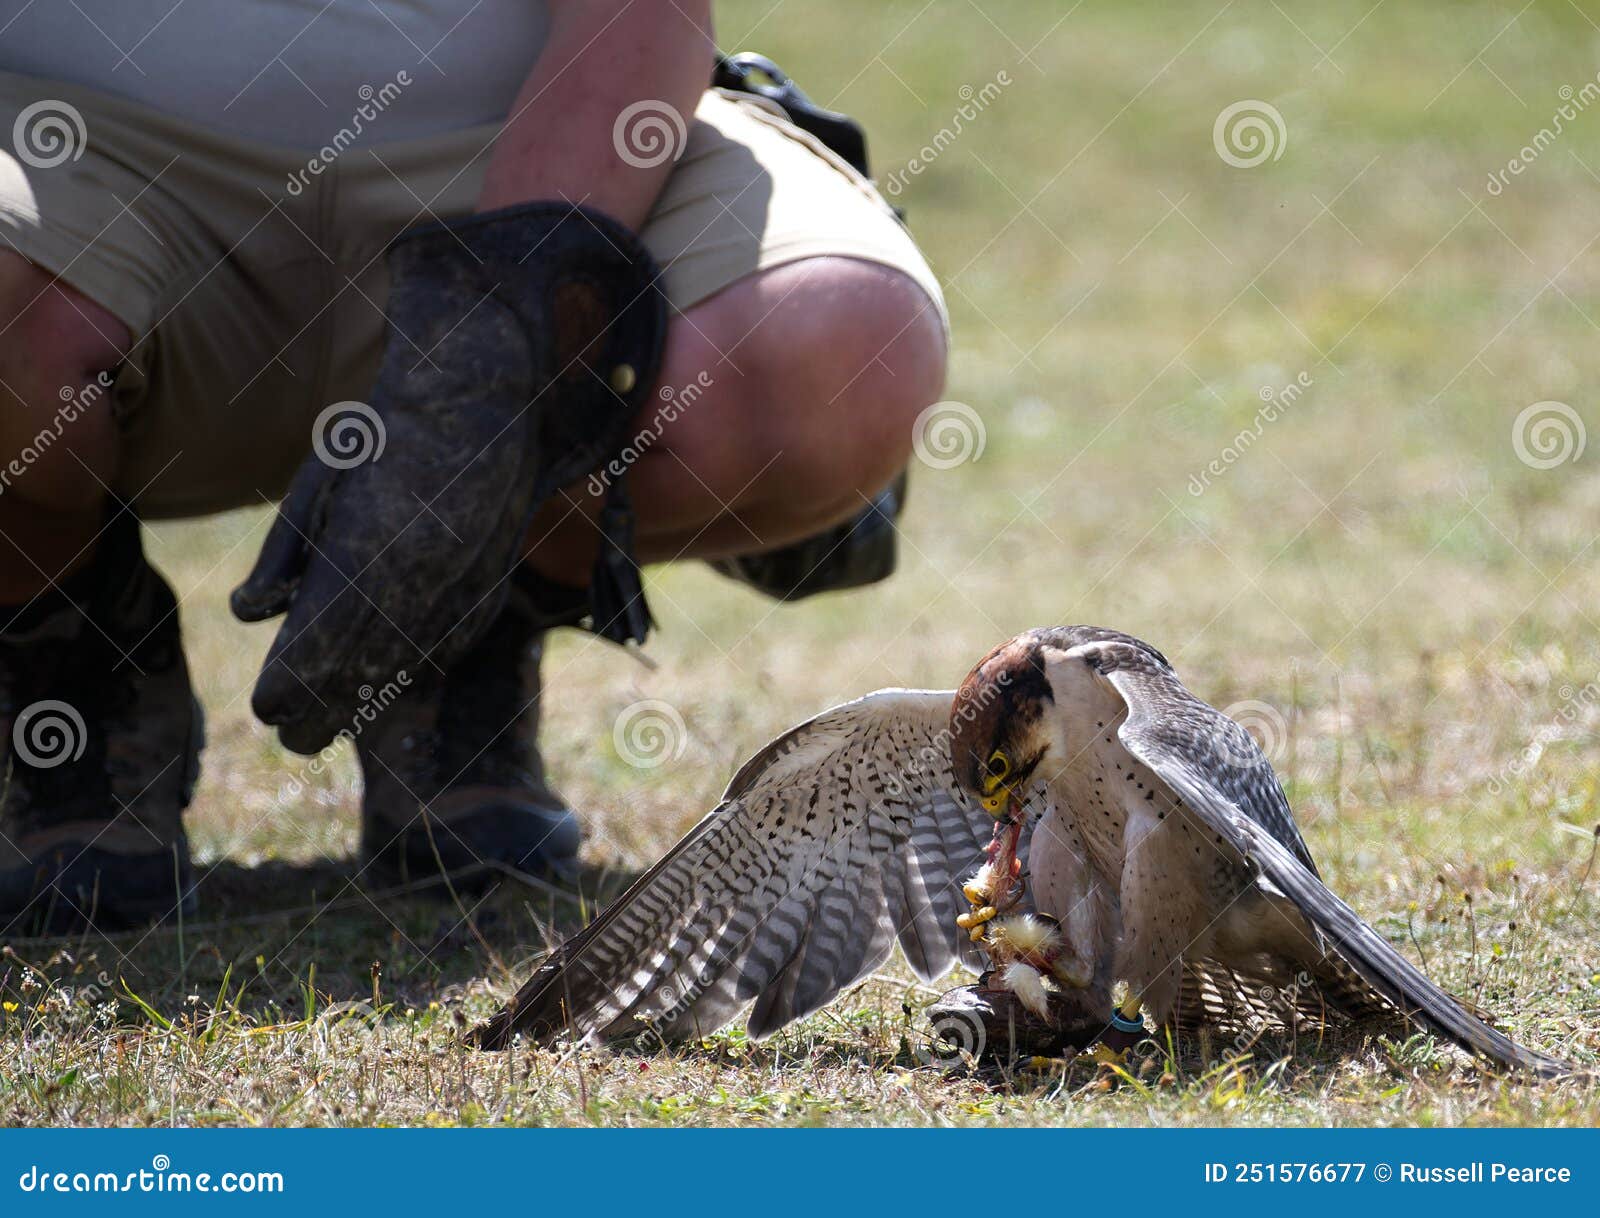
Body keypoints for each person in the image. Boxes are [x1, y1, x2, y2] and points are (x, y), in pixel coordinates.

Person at [0, 2, 948, 931]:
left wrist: (488, 358)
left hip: (530, 127)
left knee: (838, 345)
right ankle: (68, 652)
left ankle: (463, 632)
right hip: (68, 144)